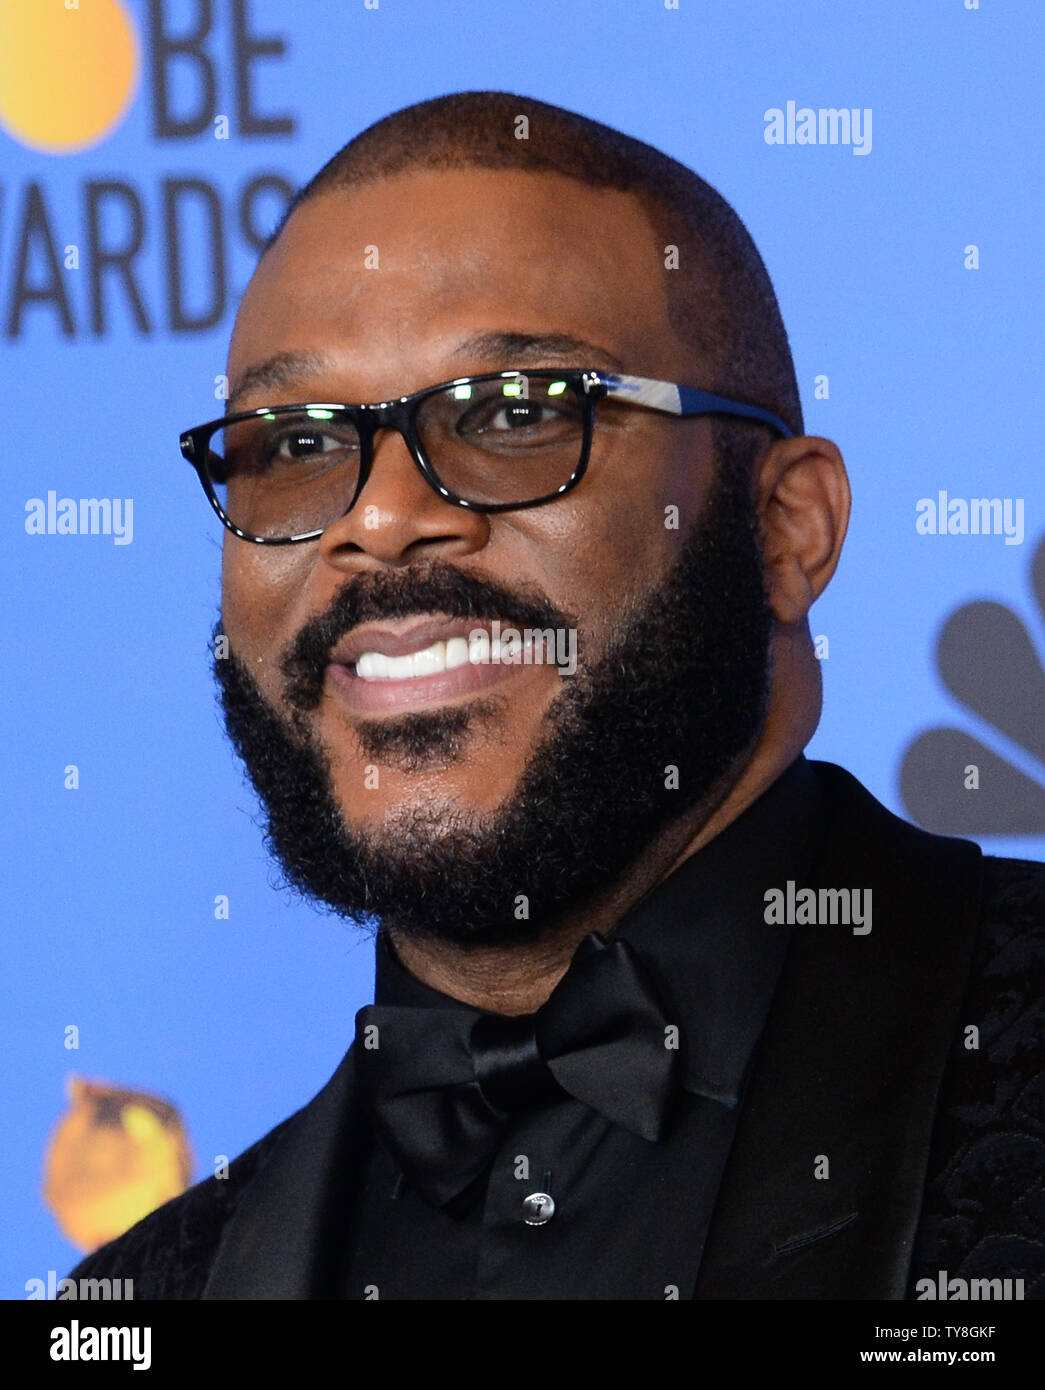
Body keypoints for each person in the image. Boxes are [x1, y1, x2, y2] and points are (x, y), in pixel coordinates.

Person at [70, 91, 1044, 1300]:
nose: (380, 519)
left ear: (787, 527)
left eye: (517, 415)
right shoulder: (140, 1296)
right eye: (298, 442)